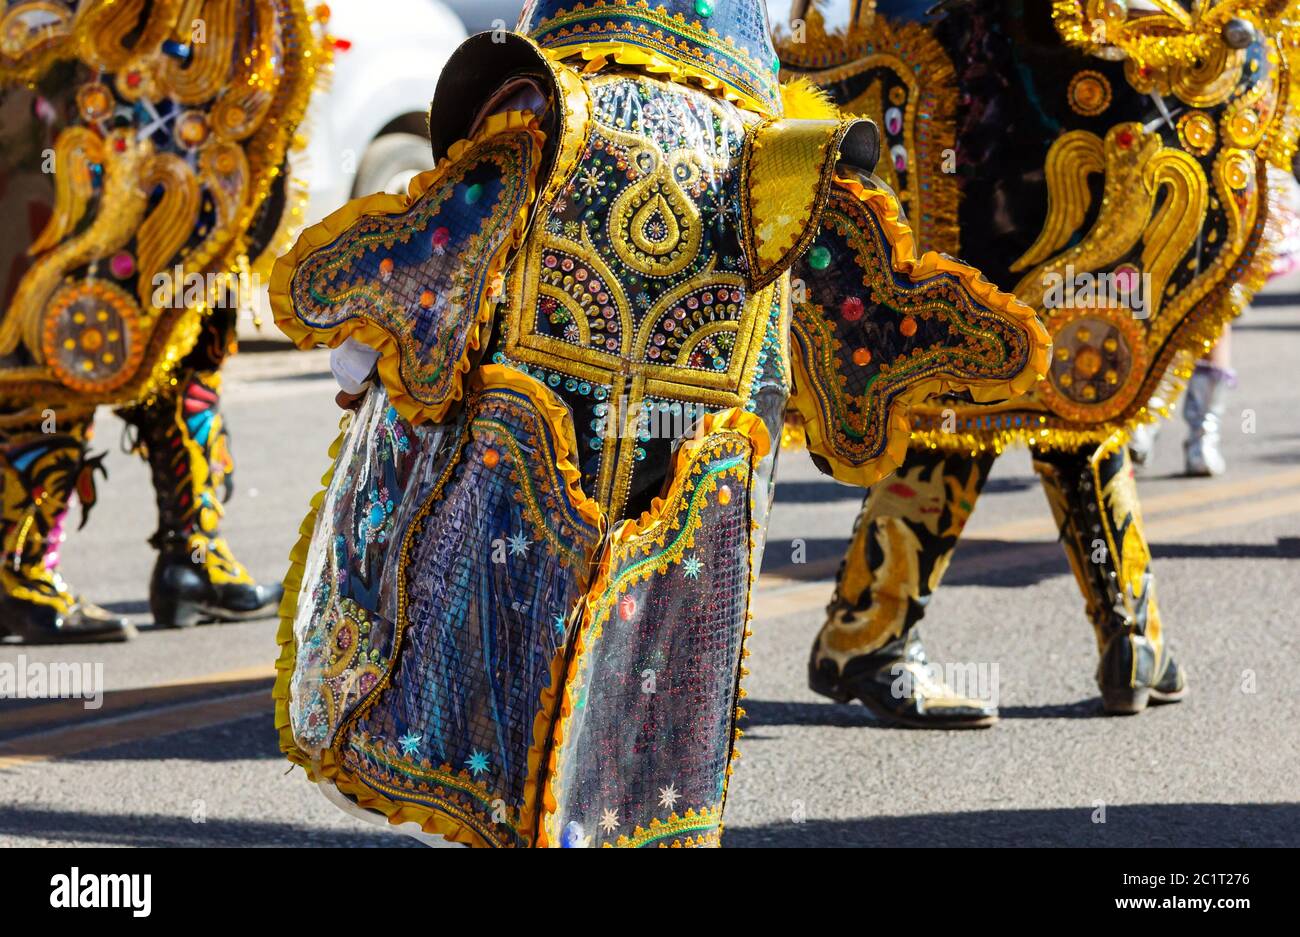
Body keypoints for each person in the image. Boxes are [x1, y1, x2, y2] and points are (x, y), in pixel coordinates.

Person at [270, 0, 1048, 847]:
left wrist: (366, 353)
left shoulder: (551, 108)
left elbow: (427, 262)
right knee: (655, 647)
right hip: (692, 450)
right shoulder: (776, 160)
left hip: (531, 452)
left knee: (499, 649)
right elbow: (854, 324)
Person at [776, 0, 1296, 726]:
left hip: (1036, 114)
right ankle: (870, 635)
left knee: (1072, 380)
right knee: (976, 378)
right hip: (984, 119)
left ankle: (1130, 635)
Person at [0, 0, 325, 642]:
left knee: (191, 335)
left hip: (201, 117)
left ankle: (193, 557)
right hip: (98, 108)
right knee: (72, 331)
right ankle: (20, 568)